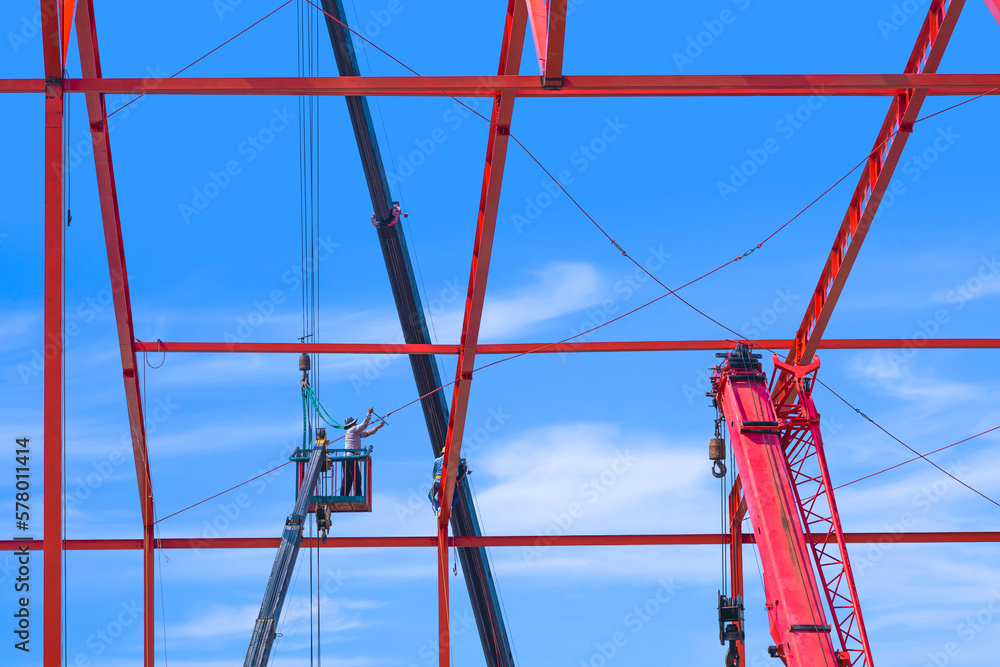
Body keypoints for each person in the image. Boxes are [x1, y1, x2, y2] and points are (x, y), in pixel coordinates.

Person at [342, 407, 384, 496]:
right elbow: (364, 425)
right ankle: (357, 495)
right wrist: (369, 413)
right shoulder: (353, 430)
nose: (356, 424)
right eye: (355, 423)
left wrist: (377, 427)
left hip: (348, 457)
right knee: (356, 478)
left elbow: (367, 433)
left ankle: (343, 495)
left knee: (348, 479)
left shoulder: (354, 432)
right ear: (352, 424)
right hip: (350, 457)